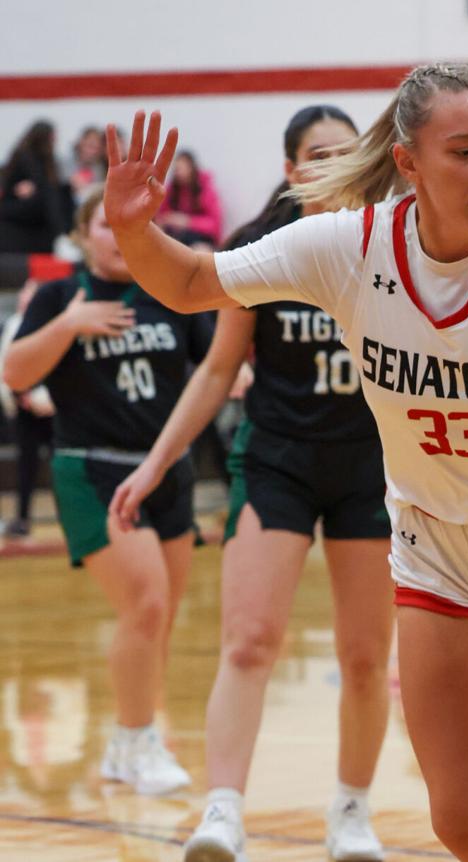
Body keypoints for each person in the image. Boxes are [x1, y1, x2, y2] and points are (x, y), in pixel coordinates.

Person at [102, 62, 468, 862]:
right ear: (407, 161)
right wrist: (135, 231)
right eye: (464, 151)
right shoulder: (347, 248)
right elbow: (192, 283)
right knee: (465, 822)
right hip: (436, 543)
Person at [109, 104, 394, 862]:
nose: (335, 164)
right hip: (279, 463)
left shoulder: (393, 247)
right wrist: (156, 462)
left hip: (372, 465)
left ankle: (353, 812)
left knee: (366, 656)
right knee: (250, 641)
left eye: (348, 152)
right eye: (319, 154)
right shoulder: (258, 251)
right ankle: (223, 812)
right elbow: (216, 370)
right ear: (293, 169)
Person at [2, 186, 213, 795]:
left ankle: (130, 743)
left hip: (166, 471)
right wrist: (70, 325)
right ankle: (137, 739)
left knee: (161, 617)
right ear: (83, 233)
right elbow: (15, 374)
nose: (119, 236)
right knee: (145, 605)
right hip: (92, 468)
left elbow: (219, 366)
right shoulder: (59, 295)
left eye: (134, 225)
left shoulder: (171, 290)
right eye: (106, 225)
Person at [0, 279, 56, 538]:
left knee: (62, 465)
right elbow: (5, 368)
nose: (25, 297)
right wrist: (22, 397)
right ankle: (22, 519)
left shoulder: (55, 325)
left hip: (54, 410)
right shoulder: (12, 325)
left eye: (32, 294)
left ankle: (71, 517)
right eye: (24, 293)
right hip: (24, 408)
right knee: (26, 466)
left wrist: (49, 400)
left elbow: (60, 367)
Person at [0, 120, 72, 254]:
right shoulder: (24, 155)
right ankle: (61, 236)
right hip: (13, 205)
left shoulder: (45, 158)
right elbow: (40, 183)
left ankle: (63, 236)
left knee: (61, 193)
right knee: (49, 196)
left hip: (32, 203)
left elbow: (43, 184)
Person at [157, 150, 222, 248]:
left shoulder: (205, 190)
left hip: (200, 239)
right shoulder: (172, 189)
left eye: (181, 168)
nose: (178, 172)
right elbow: (161, 215)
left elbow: (215, 225)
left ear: (191, 168)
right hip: (176, 237)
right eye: (176, 169)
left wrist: (188, 222)